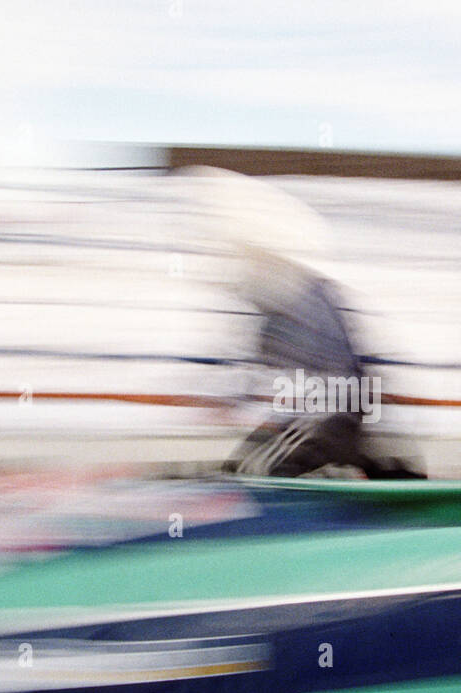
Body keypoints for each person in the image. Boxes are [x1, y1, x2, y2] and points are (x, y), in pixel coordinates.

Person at [177, 166, 422, 479]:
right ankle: (389, 476)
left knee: (258, 472)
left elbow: (273, 364)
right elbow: (265, 362)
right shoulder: (294, 296)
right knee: (249, 468)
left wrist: (230, 401)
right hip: (335, 412)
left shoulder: (289, 295)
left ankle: (384, 478)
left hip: (330, 414)